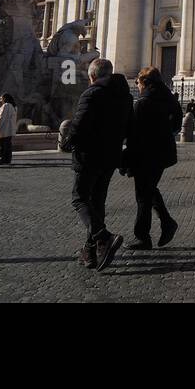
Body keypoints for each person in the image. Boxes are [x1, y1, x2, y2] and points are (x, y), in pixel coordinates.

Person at [68, 58, 133, 271]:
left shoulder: (91, 93)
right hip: (110, 157)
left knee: (79, 198)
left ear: (92, 76)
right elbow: (128, 126)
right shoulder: (125, 96)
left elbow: (79, 124)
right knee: (98, 202)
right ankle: (91, 251)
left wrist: (68, 140)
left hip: (89, 156)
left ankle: (104, 237)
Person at [124, 67, 179, 250]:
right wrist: (165, 135)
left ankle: (143, 237)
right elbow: (177, 122)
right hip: (164, 153)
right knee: (149, 190)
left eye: (137, 83)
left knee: (143, 196)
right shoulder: (169, 98)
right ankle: (167, 223)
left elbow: (134, 135)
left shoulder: (142, 102)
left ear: (144, 82)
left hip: (146, 155)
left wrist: (127, 160)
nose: (137, 86)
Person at [0, 92, 17, 166]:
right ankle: (7, 160)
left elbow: (1, 117)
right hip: (9, 130)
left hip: (3, 130)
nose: (0, 100)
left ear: (4, 98)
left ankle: (0, 159)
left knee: (1, 145)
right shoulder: (13, 106)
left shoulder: (6, 106)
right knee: (7, 146)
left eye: (1, 98)